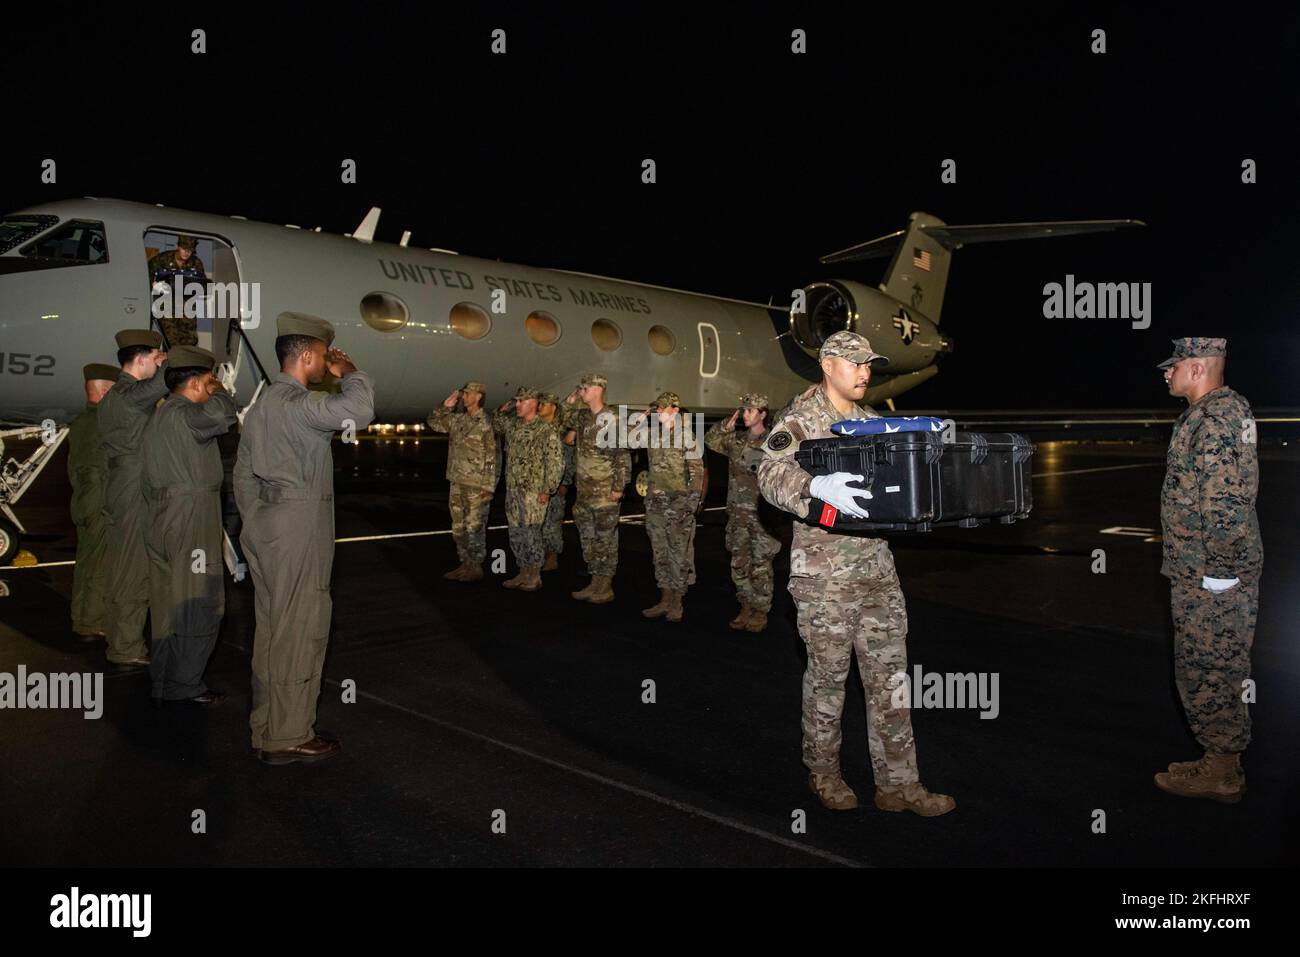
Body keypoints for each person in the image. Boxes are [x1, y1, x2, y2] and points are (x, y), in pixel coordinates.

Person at [757, 331, 954, 816]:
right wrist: (815, 484)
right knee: (827, 680)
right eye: (856, 363)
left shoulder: (871, 422)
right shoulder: (801, 419)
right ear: (828, 364)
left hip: (876, 570)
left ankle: (898, 785)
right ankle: (824, 773)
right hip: (825, 577)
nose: (866, 372)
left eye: (870, 364)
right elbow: (769, 475)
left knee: (891, 681)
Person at [234, 313, 375, 765]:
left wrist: (257, 522)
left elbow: (241, 474)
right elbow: (360, 410)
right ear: (309, 355)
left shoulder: (261, 406)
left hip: (267, 523)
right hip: (297, 524)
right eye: (323, 358)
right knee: (300, 628)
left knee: (272, 628)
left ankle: (265, 725)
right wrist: (350, 372)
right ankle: (289, 735)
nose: (325, 368)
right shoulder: (299, 405)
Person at [1152, 337, 1261, 804]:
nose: (1166, 374)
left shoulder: (1216, 417)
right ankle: (1219, 759)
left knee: (1211, 666)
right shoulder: (1212, 413)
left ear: (1196, 368)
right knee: (1207, 664)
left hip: (1211, 572)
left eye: (1172, 366)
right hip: (1200, 567)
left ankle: (1220, 771)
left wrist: (1219, 569)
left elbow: (1225, 502)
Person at [141, 345, 238, 708]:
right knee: (200, 599)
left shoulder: (161, 414)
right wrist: (222, 392)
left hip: (163, 513)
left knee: (167, 603)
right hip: (192, 514)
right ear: (197, 382)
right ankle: (186, 683)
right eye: (208, 382)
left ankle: (165, 679)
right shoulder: (186, 412)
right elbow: (222, 418)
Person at [98, 329, 169, 667]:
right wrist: (176, 361)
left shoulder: (118, 395)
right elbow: (164, 382)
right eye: (156, 357)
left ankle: (122, 641)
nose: (159, 363)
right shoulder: (128, 394)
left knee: (126, 567)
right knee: (132, 570)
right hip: (132, 490)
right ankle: (125, 647)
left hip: (124, 487)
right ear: (141, 359)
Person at [705, 393, 782, 633]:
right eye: (744, 410)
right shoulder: (736, 440)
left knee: (760, 566)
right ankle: (746, 606)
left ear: (763, 414)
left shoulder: (774, 442)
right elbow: (710, 440)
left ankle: (760, 610)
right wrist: (724, 425)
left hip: (762, 518)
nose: (746, 415)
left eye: (750, 411)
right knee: (739, 564)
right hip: (737, 515)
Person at [561, 373, 630, 604]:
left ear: (598, 389)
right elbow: (563, 422)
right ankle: (594, 582)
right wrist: (568, 402)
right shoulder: (583, 417)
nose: (581, 391)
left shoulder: (612, 418)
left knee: (605, 541)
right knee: (588, 540)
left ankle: (605, 586)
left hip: (604, 492)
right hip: (584, 492)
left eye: (585, 388)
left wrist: (618, 487)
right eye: (580, 388)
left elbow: (621, 455)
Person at [636, 392, 704, 623]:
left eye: (662, 408)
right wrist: (638, 419)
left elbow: (696, 474)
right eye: (656, 409)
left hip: (679, 507)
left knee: (678, 555)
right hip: (655, 505)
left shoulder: (687, 437)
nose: (658, 412)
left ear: (675, 410)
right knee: (660, 553)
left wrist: (690, 506)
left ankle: (677, 601)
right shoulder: (653, 435)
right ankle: (664, 598)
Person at [491, 388, 565, 591]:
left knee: (532, 533)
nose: (517, 405)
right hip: (513, 490)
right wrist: (500, 410)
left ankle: (534, 575)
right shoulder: (514, 425)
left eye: (520, 402)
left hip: (534, 491)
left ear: (533, 403)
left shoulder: (545, 430)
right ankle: (522, 571)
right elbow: (496, 423)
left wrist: (547, 490)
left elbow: (555, 462)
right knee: (516, 532)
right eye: (516, 402)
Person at [68, 363, 121, 641]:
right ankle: (93, 621)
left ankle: (81, 617)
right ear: (104, 390)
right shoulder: (103, 421)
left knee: (86, 562)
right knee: (101, 564)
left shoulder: (80, 422)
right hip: (100, 501)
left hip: (83, 500)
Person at [427, 381, 499, 582]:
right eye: (464, 393)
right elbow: (434, 423)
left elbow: (493, 456)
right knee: (458, 526)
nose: (464, 397)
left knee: (474, 526)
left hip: (477, 484)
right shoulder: (457, 420)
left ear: (478, 397)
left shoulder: (487, 422)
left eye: (468, 393)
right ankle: (464, 563)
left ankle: (475, 567)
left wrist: (488, 486)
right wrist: (445, 406)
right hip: (457, 481)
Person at [537, 391, 574, 572]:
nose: (540, 407)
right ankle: (538, 555)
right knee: (538, 523)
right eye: (539, 403)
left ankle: (552, 556)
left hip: (556, 484)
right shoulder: (536, 428)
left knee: (553, 521)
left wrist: (565, 482)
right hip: (537, 483)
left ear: (553, 407)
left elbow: (567, 455)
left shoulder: (559, 430)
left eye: (544, 404)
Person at [147, 235, 206, 346]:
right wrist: (154, 285)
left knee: (190, 342)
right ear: (177, 246)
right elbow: (145, 276)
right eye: (184, 249)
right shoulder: (162, 259)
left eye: (190, 250)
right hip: (167, 308)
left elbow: (201, 284)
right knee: (171, 341)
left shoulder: (196, 263)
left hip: (187, 309)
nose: (186, 253)